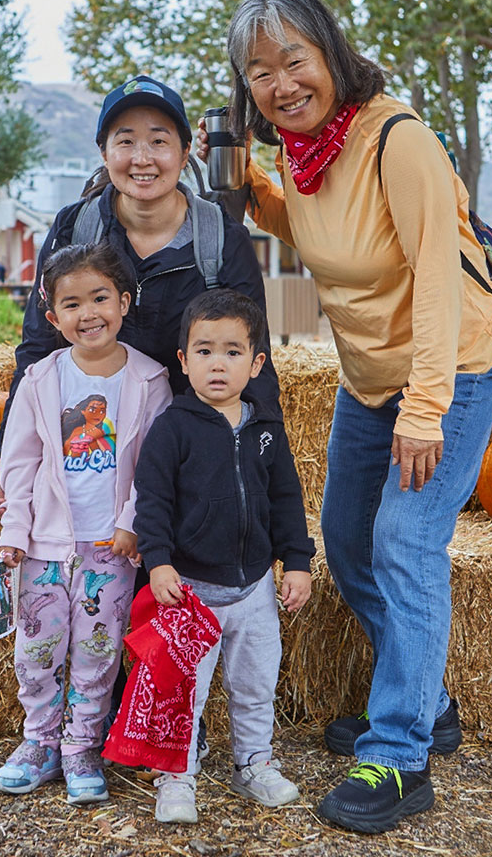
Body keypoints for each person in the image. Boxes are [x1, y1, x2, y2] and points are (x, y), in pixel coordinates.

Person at [201, 0, 492, 834]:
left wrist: (426, 407)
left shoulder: (395, 141)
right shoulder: (308, 158)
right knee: (345, 540)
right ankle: (426, 698)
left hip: (451, 368)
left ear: (330, 54)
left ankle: (401, 754)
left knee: (406, 541)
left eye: (293, 60)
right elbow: (320, 238)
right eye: (259, 72)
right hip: (371, 377)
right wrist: (247, 188)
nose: (280, 83)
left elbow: (440, 277)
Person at [0, 74, 281, 514]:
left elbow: (256, 364)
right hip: (88, 459)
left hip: (189, 458)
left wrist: (263, 476)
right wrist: (10, 453)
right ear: (104, 153)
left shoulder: (220, 239)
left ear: (182, 154)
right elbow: (37, 351)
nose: (143, 159)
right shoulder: (74, 229)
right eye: (126, 142)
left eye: (159, 141)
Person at [0, 241, 174, 805]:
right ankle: (39, 742)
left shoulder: (148, 380)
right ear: (52, 317)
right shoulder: (43, 379)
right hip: (46, 545)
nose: (87, 313)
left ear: (124, 302)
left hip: (109, 550)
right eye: (71, 304)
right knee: (37, 649)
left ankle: (81, 746)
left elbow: (155, 466)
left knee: (98, 652)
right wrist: (15, 532)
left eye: (99, 298)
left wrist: (130, 523)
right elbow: (20, 461)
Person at [126, 288, 315, 824]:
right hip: (191, 593)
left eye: (233, 351)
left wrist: (297, 561)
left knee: (256, 685)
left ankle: (253, 764)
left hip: (254, 589)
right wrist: (158, 560)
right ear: (183, 361)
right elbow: (153, 500)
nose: (217, 363)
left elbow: (286, 500)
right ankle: (177, 777)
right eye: (204, 350)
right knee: (184, 694)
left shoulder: (265, 430)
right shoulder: (173, 428)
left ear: (256, 363)